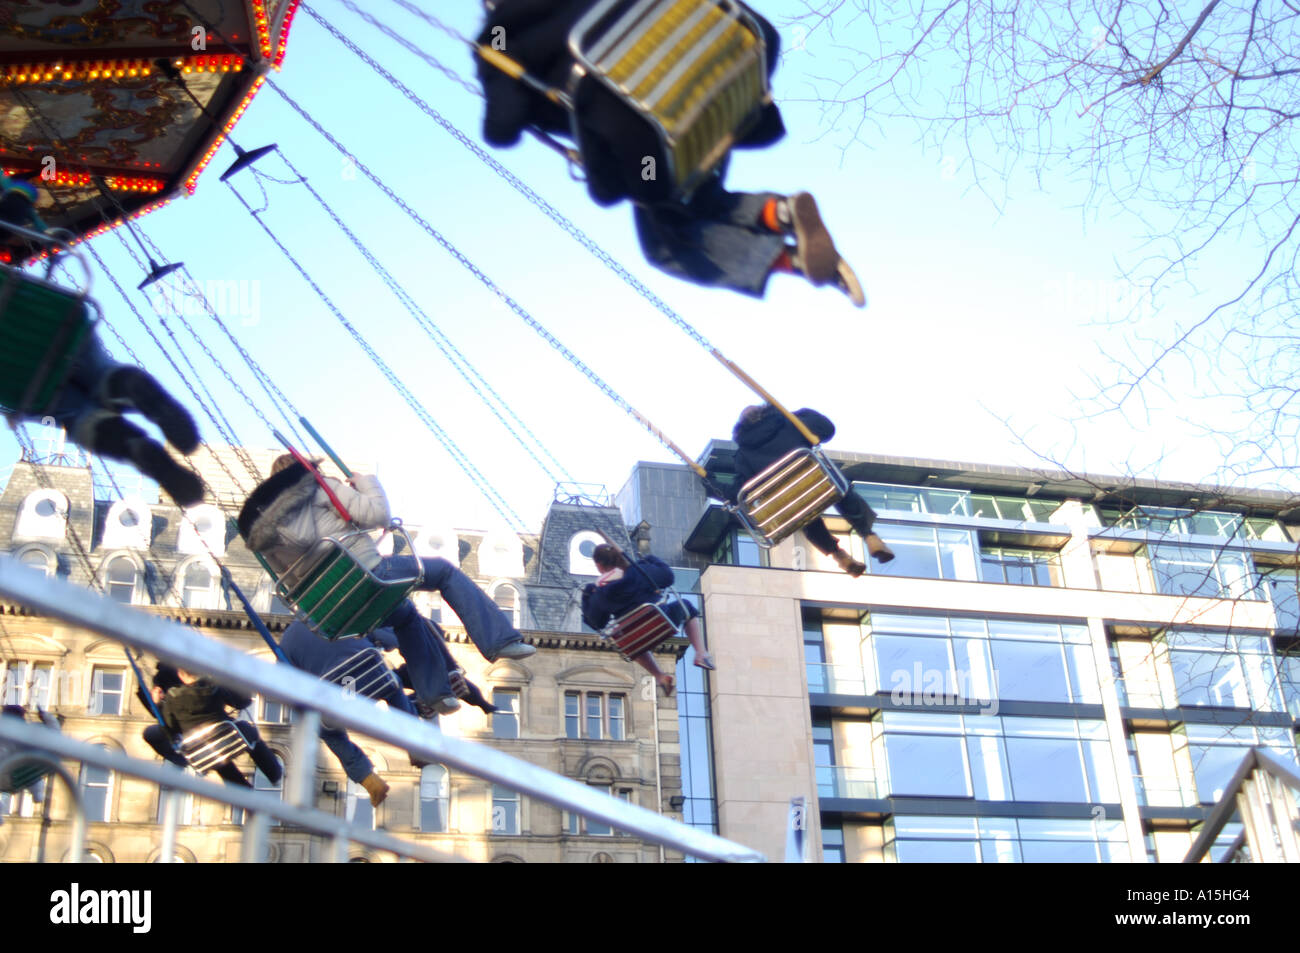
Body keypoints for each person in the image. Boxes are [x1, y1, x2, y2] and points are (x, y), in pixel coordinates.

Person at [475, 0, 865, 306]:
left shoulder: (501, 34)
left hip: (654, 142)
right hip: (730, 81)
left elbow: (502, 126)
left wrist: (501, 67)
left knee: (663, 232)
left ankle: (785, 244)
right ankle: (780, 215)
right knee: (688, 194)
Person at [0, 173, 204, 506]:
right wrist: (22, 192)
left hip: (16, 375)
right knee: (99, 370)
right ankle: (122, 385)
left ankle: (130, 446)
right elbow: (9, 220)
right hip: (45, 321)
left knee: (71, 414)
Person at [237, 456, 535, 677]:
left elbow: (287, 582)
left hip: (330, 608)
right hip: (366, 574)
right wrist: (365, 484)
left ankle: (438, 694)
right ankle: (499, 640)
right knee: (443, 572)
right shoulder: (321, 488)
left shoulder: (264, 537)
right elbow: (377, 514)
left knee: (405, 616)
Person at [728, 403, 895, 576]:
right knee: (839, 488)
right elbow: (827, 429)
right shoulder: (790, 423)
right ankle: (869, 535)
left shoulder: (743, 454)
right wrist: (799, 413)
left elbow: (738, 492)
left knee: (805, 517)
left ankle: (837, 554)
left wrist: (709, 484)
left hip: (792, 501)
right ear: (766, 412)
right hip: (818, 482)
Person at [581, 539, 711, 696]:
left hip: (634, 640)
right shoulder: (639, 571)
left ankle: (659, 676)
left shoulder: (601, 593)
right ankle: (701, 653)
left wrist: (587, 596)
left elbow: (596, 622)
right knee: (686, 606)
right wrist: (649, 559)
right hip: (662, 621)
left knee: (628, 636)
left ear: (599, 566)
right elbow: (668, 576)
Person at [155, 665, 283, 788]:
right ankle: (274, 774)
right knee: (249, 732)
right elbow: (242, 702)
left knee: (220, 761)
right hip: (227, 737)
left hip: (198, 749)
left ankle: (244, 794)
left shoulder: (172, 698)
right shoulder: (214, 686)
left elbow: (169, 728)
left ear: (181, 675)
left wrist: (158, 705)